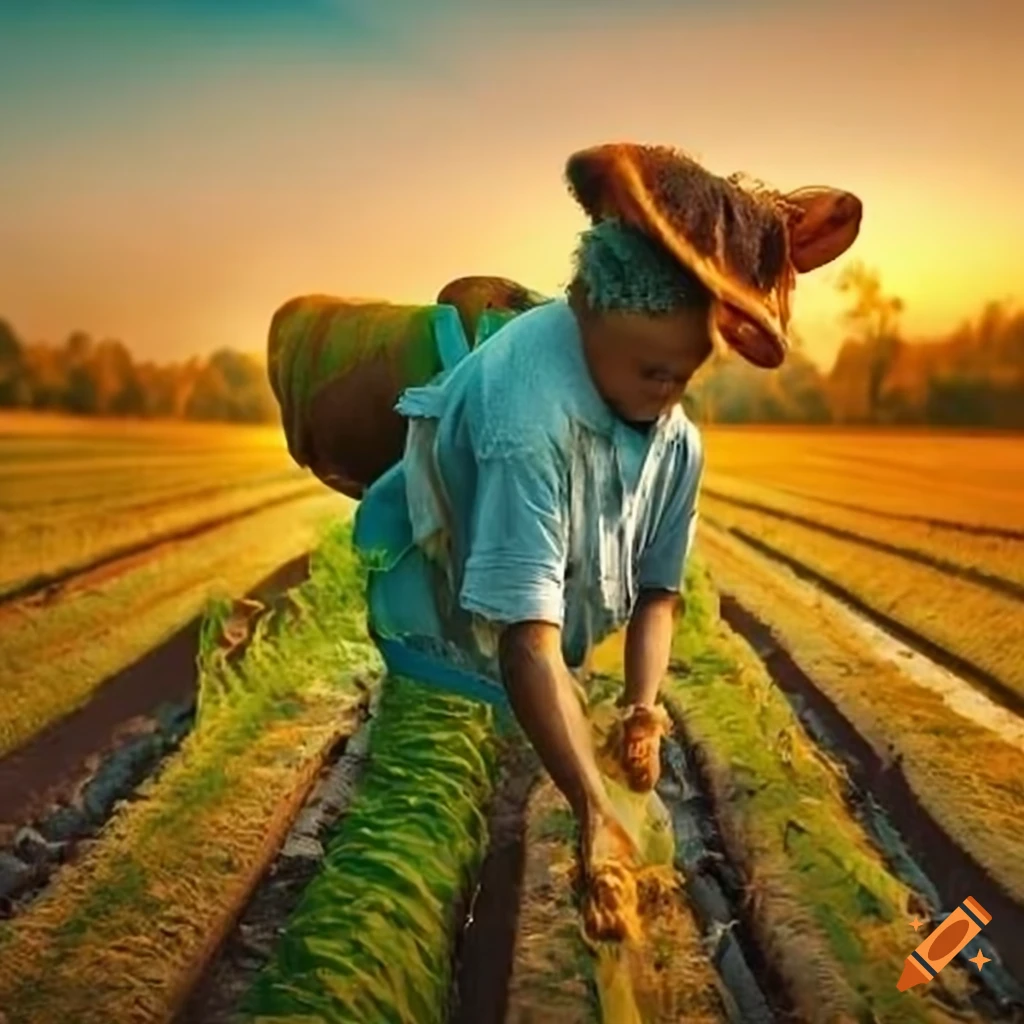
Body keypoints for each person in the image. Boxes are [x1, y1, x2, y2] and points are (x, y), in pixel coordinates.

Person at [354, 142, 862, 932]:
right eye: (649, 372)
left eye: (682, 377)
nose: (667, 395)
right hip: (462, 583)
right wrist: (596, 813)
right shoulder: (527, 428)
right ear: (587, 322)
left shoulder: (677, 442)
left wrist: (643, 710)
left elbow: (659, 594)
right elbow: (527, 642)